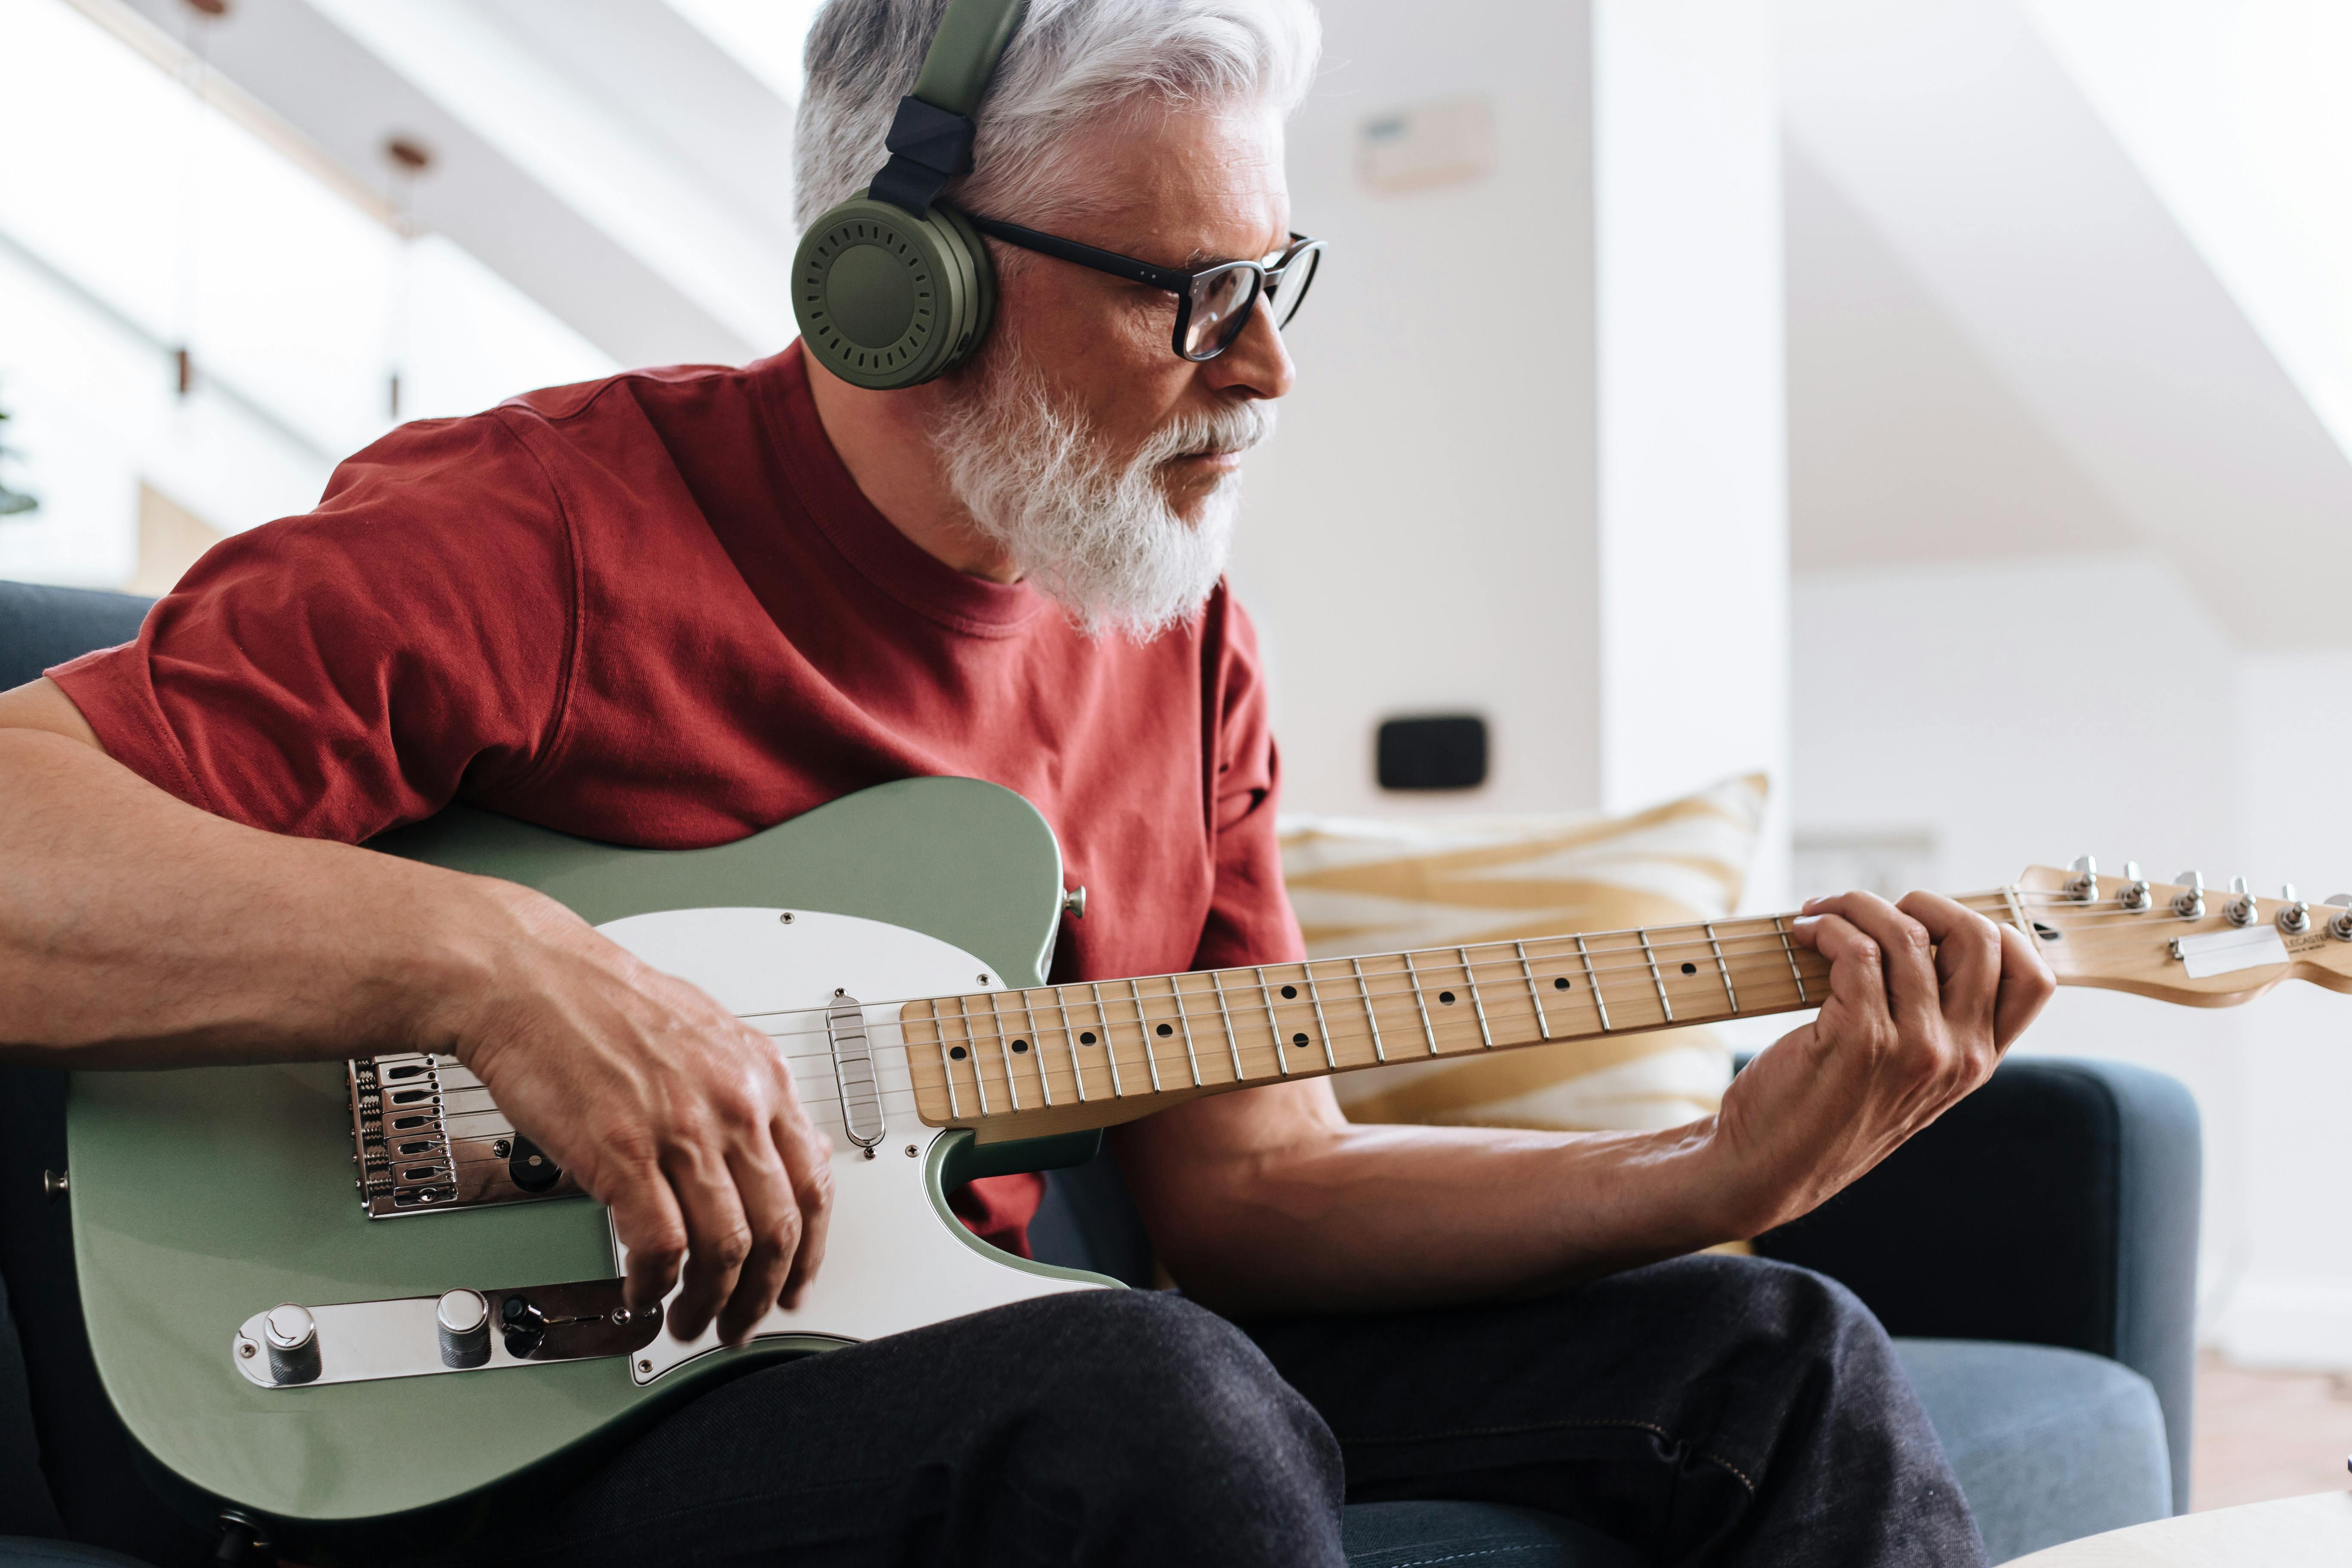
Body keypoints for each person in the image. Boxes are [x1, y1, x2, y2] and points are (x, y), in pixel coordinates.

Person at [0, 0, 2055, 1562]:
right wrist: (493, 967)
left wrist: (1718, 1179)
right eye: (1190, 298)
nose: (1265, 369)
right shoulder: (535, 529)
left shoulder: (1172, 632)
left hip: (916, 1352)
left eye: (1275, 278)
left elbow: (1253, 1194)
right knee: (1146, 1397)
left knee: (1783, 1356)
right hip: (438, 1385)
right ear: (902, 288)